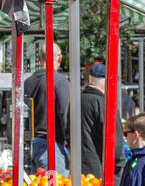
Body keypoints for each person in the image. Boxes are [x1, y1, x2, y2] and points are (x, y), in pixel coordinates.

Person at [24, 42, 70, 173]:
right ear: (59, 58)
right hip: (51, 147)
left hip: (30, 146)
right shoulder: (60, 81)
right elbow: (64, 114)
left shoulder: (27, 82)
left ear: (39, 59)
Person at [80, 62, 125, 177]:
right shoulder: (104, 103)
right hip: (102, 169)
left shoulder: (77, 100)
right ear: (106, 82)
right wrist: (119, 163)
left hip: (78, 166)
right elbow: (114, 139)